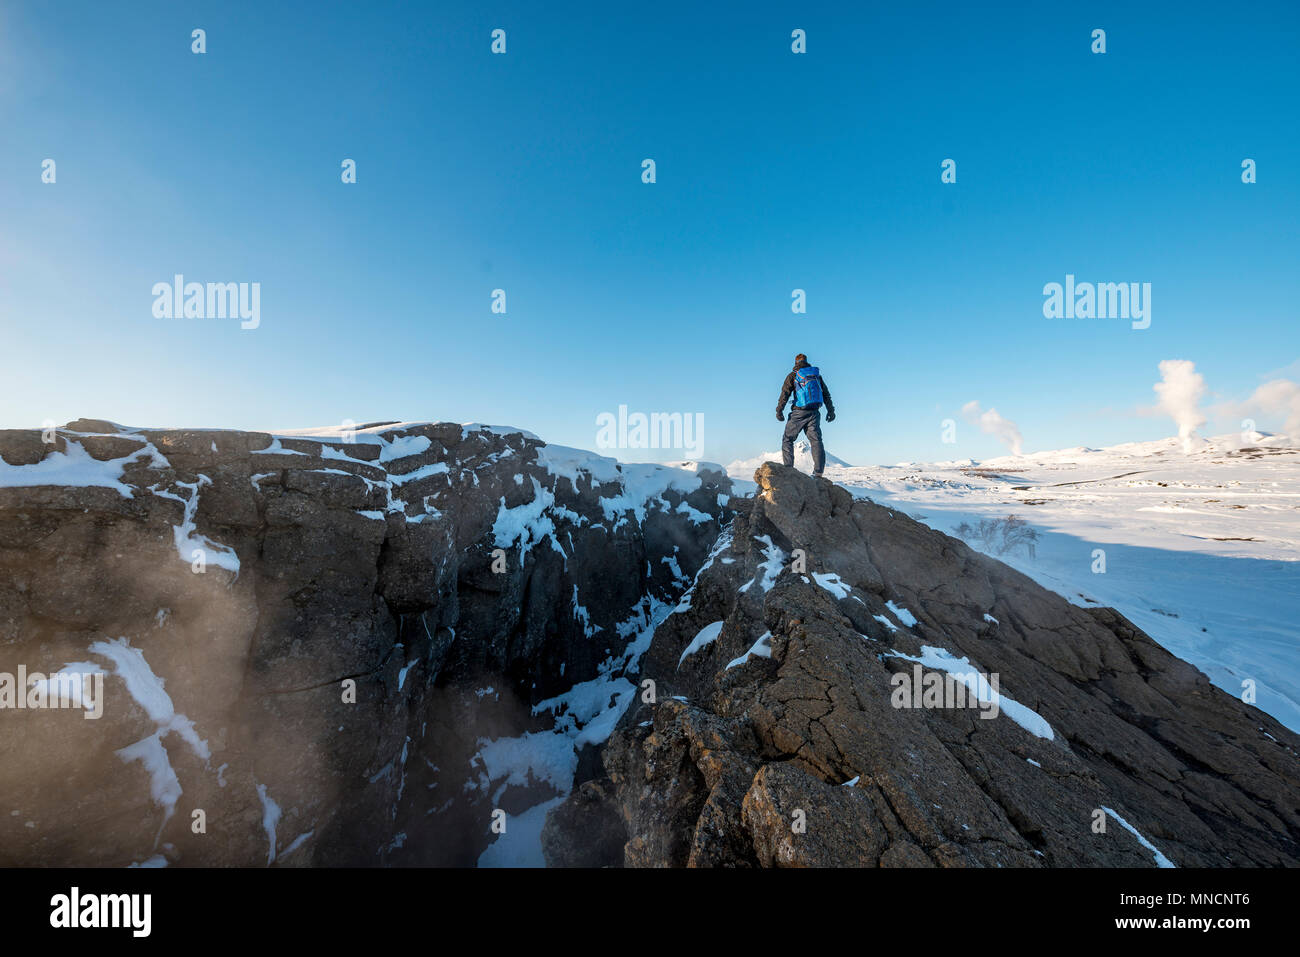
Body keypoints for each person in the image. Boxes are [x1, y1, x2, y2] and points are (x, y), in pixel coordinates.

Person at [776, 353, 836, 477]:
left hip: (799, 413)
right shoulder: (816, 376)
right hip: (814, 412)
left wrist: (779, 411)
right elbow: (826, 394)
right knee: (816, 440)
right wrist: (831, 411)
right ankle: (818, 472)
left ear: (795, 362)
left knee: (788, 439)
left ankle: (788, 469)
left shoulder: (793, 375)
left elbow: (784, 394)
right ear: (806, 361)